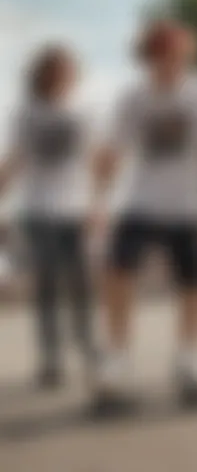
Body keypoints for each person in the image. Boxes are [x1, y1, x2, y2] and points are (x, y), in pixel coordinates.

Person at [93, 21, 197, 408]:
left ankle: (190, 357)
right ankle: (117, 358)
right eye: (161, 59)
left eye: (177, 58)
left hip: (188, 204)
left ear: (187, 56)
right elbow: (113, 149)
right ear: (147, 60)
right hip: (140, 200)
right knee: (117, 270)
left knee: (193, 282)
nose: (169, 66)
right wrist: (98, 195)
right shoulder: (132, 97)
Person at [0, 45, 97, 388]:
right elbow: (14, 158)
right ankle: (51, 357)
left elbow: (94, 160)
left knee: (82, 281)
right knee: (48, 283)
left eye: (67, 70)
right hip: (38, 208)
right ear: (42, 74)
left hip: (76, 207)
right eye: (56, 70)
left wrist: (99, 205)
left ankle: (87, 345)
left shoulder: (81, 111)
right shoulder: (27, 113)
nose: (62, 77)